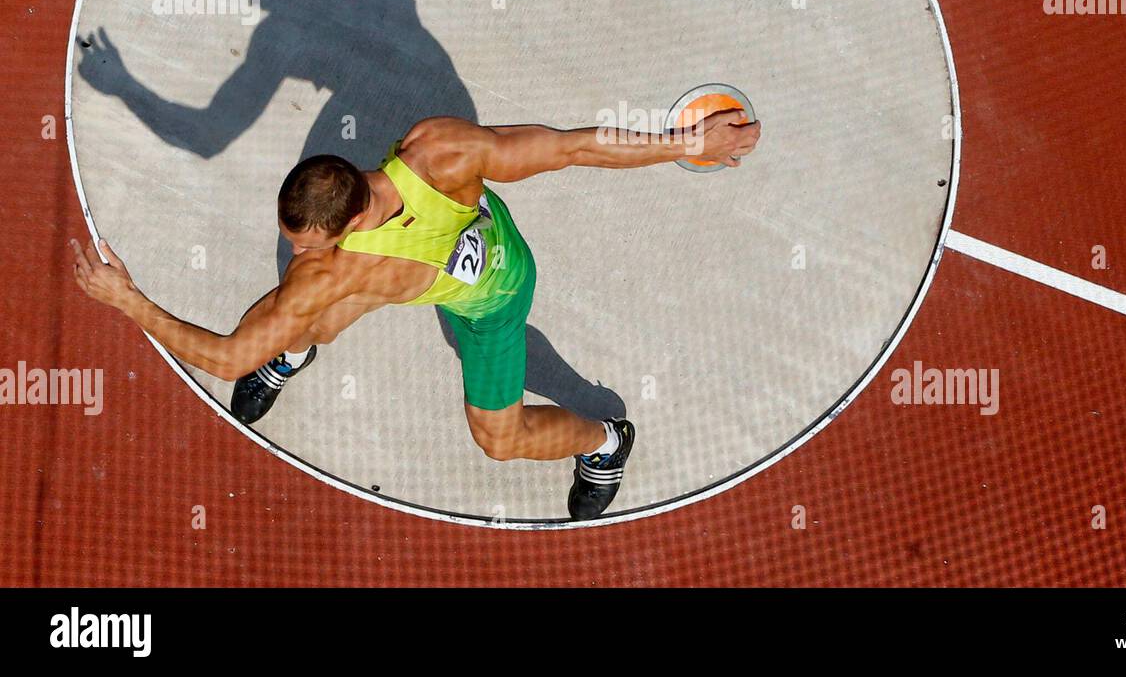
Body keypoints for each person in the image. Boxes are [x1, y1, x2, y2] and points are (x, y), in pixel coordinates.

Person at [71, 109, 760, 519]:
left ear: (345, 224)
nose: (297, 253)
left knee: (499, 438)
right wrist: (682, 142)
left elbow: (224, 357)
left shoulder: (349, 249)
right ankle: (296, 349)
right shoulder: (425, 158)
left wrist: (128, 301)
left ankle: (604, 442)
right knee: (312, 309)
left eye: (307, 244)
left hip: (494, 296)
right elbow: (572, 145)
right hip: (424, 263)